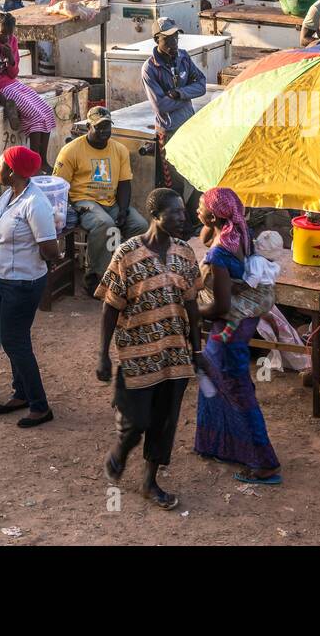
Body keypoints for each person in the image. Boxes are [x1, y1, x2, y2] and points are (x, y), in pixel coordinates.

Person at [96, 187, 200, 510]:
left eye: (184, 212)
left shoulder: (185, 254)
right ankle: (123, 448)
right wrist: (102, 354)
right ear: (156, 216)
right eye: (176, 213)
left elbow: (193, 306)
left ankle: (149, 481)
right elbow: (111, 306)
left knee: (165, 421)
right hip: (137, 354)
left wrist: (197, 350)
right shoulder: (126, 254)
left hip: (174, 355)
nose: (183, 218)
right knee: (136, 420)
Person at [194, 187, 282, 484]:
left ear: (214, 215)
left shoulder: (219, 254)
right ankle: (218, 444)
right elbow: (208, 235)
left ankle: (265, 464)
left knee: (235, 388)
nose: (196, 209)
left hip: (228, 331)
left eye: (201, 206)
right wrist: (211, 223)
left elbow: (220, 305)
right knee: (214, 381)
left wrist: (190, 309)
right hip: (241, 324)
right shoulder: (238, 234)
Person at [0, 145, 60, 428]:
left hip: (23, 282)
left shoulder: (35, 203)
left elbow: (50, 248)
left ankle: (40, 405)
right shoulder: (9, 196)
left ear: (12, 171)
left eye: (0, 165)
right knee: (12, 339)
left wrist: (40, 260)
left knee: (16, 342)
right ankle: (21, 393)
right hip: (4, 278)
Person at [54, 107, 147, 294]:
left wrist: (123, 209)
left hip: (111, 202)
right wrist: (67, 212)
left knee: (140, 225)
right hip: (82, 201)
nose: (105, 131)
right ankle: (96, 278)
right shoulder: (71, 150)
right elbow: (58, 185)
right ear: (89, 126)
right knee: (104, 224)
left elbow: (124, 183)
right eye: (99, 127)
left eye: (107, 127)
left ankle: (126, 272)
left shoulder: (119, 149)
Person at [143, 17, 206, 226]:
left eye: (176, 37)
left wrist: (179, 93)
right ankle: (176, 228)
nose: (174, 43)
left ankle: (190, 222)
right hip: (169, 132)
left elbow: (202, 85)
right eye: (168, 39)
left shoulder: (183, 57)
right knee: (175, 186)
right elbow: (160, 105)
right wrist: (187, 95)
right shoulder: (149, 69)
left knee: (199, 178)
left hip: (190, 127)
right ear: (157, 40)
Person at [0, 12, 56, 166]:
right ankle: (34, 165)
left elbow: (13, 74)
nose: (6, 37)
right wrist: (3, 100)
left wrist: (10, 58)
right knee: (35, 115)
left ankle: (43, 161)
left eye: (9, 34)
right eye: (2, 34)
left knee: (46, 110)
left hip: (11, 82)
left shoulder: (11, 40)